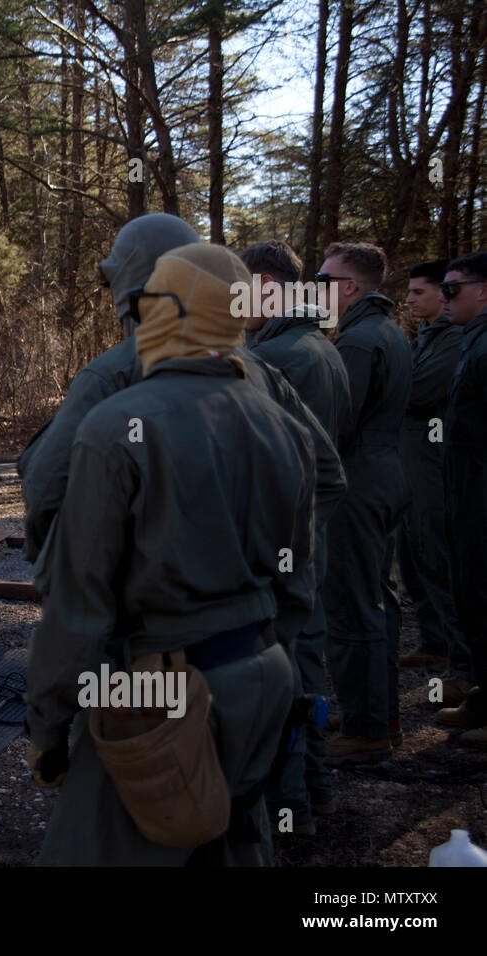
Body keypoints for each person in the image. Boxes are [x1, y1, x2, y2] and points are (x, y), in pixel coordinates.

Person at [25, 243, 309, 865]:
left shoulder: (118, 424)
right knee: (235, 844)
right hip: (263, 674)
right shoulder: (282, 422)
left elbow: (79, 610)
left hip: (159, 695)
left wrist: (47, 728)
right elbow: (297, 583)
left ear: (172, 311)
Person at [19, 216, 344, 594]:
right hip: (250, 619)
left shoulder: (112, 374)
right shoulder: (257, 368)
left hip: (153, 623)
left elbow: (45, 491)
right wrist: (282, 581)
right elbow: (325, 476)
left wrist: (76, 585)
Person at [241, 239, 350, 832]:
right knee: (306, 667)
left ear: (265, 285)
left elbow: (293, 465)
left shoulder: (282, 356)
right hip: (310, 541)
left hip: (287, 547)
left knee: (282, 677)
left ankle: (291, 809)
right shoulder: (321, 348)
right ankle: (314, 792)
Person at [317, 242, 413, 765]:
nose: (318, 289)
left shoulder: (357, 342)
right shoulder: (389, 332)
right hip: (385, 477)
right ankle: (383, 714)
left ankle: (366, 730)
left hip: (356, 483)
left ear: (350, 286)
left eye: (324, 279)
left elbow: (338, 424)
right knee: (379, 600)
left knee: (351, 607)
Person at [396, 260, 472, 707]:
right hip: (412, 461)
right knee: (413, 553)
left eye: (419, 292)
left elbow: (417, 391)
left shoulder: (454, 338)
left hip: (433, 460)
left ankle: (463, 663)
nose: (410, 299)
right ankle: (435, 640)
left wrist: (393, 385)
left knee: (438, 552)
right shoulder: (426, 337)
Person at [434, 252, 487, 747]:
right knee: (472, 590)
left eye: (453, 289)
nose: (445, 298)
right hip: (467, 489)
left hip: (480, 491)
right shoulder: (472, 341)